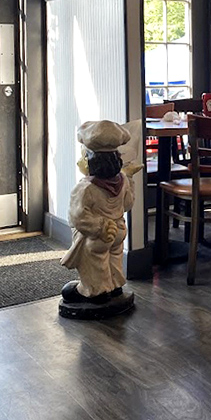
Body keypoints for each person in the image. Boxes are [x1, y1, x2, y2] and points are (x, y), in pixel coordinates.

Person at [61, 120, 141, 302]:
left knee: (95, 261)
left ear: (91, 161)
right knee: (114, 258)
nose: (79, 161)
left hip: (99, 235)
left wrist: (100, 226)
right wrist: (130, 178)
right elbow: (127, 204)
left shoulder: (86, 188)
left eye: (83, 157)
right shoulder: (122, 181)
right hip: (119, 230)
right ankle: (115, 286)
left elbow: (77, 217)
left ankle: (97, 291)